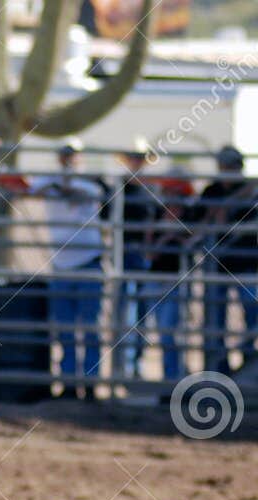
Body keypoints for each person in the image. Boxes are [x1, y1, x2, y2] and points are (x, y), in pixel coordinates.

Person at [32, 141, 105, 396]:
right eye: (65, 155)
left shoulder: (89, 182)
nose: (68, 159)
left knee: (90, 329)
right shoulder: (49, 182)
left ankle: (91, 384)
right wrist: (58, 185)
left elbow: (94, 192)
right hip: (61, 265)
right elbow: (34, 187)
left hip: (88, 262)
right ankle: (69, 383)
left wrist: (65, 187)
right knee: (65, 331)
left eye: (72, 155)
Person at [114, 140, 190, 383]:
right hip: (128, 254)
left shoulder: (154, 190)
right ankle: (126, 368)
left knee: (145, 317)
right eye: (133, 157)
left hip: (150, 260)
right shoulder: (120, 187)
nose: (136, 161)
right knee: (127, 313)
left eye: (139, 157)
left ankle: (141, 366)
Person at [188, 145, 258, 375]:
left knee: (252, 313)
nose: (228, 169)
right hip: (217, 264)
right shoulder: (212, 191)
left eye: (232, 165)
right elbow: (198, 223)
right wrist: (217, 214)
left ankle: (249, 359)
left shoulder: (251, 190)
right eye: (225, 165)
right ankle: (219, 364)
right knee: (215, 318)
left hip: (246, 263)